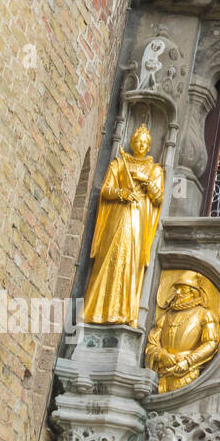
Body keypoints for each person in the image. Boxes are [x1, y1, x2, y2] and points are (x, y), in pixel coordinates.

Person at [84, 124, 165, 326]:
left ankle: (125, 312)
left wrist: (147, 182)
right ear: (131, 142)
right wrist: (121, 194)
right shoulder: (119, 163)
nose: (141, 144)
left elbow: (158, 198)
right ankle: (95, 311)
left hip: (138, 221)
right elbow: (105, 190)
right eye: (137, 141)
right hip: (117, 217)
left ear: (149, 146)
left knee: (131, 263)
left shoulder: (154, 170)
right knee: (108, 258)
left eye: (144, 142)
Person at [145, 273, 220, 393]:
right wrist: (161, 355)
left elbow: (211, 344)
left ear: (193, 292)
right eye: (177, 288)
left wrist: (188, 361)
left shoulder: (204, 315)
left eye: (183, 289)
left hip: (186, 374)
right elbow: (152, 343)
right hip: (162, 375)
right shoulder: (165, 316)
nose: (177, 292)